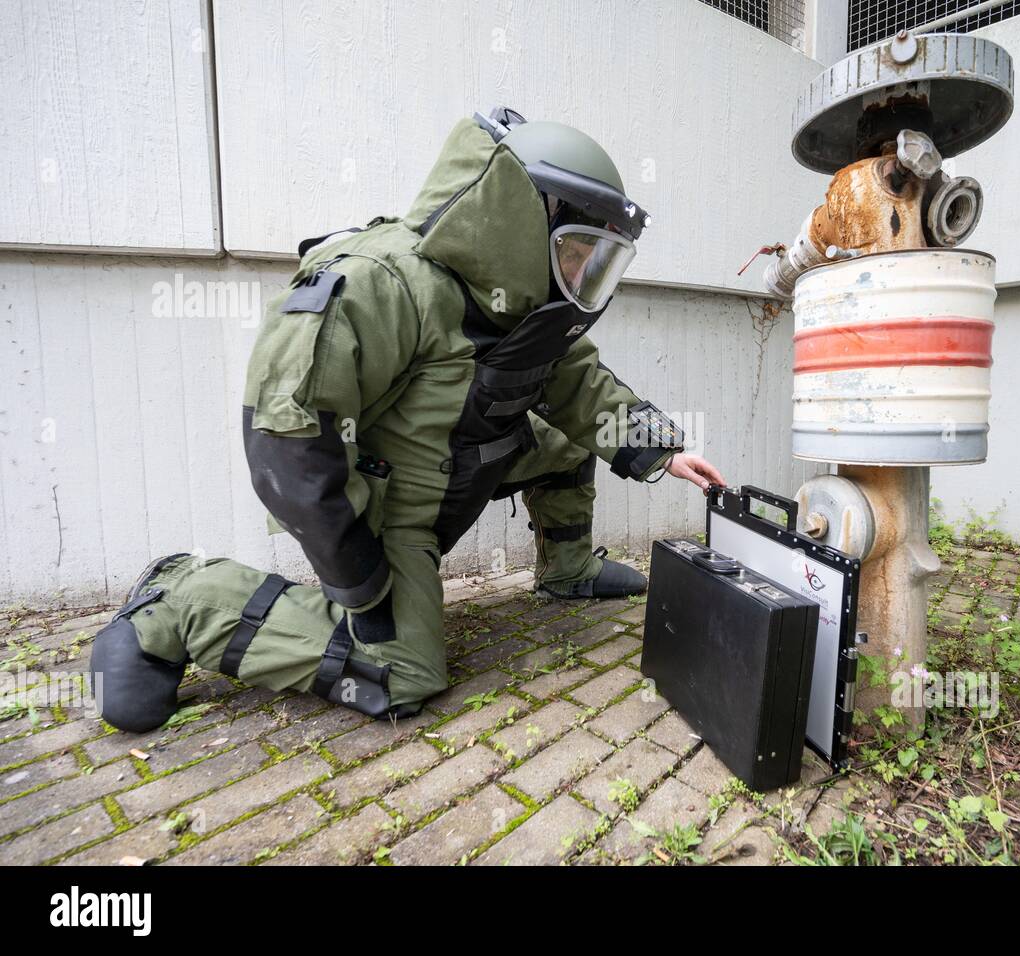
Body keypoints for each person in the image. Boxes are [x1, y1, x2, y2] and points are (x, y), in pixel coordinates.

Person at [90, 108, 725, 732]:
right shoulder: (382, 282)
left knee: (563, 440)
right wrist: (359, 580)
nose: (583, 275)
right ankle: (181, 600)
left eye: (596, 259)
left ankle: (567, 570)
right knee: (402, 673)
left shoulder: (528, 303)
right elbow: (290, 438)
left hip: (469, 460)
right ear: (523, 225)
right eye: (578, 253)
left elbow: (578, 385)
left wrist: (660, 451)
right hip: (399, 507)